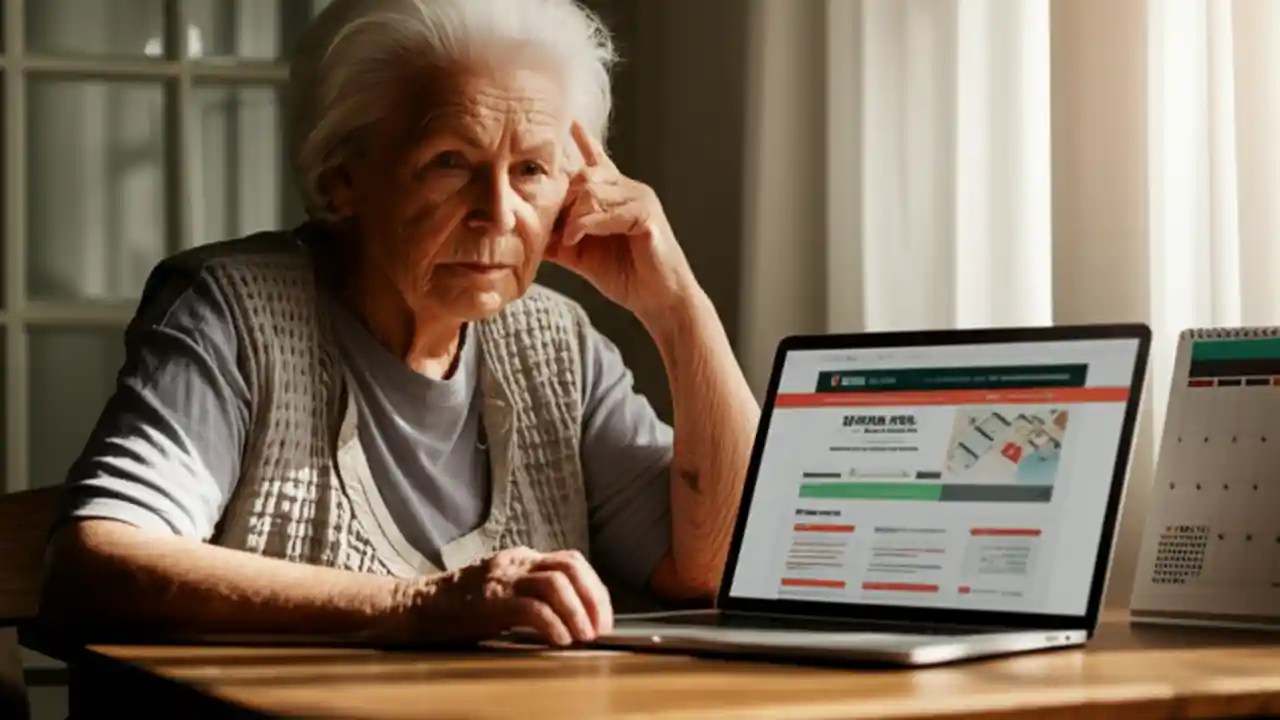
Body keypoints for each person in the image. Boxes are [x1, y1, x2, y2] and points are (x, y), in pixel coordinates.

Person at [38, 0, 759, 648]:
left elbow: (718, 565)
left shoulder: (558, 344)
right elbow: (97, 562)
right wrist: (414, 605)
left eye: (533, 170)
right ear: (341, 178)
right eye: (450, 162)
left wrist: (678, 307)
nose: (498, 212)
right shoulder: (232, 314)